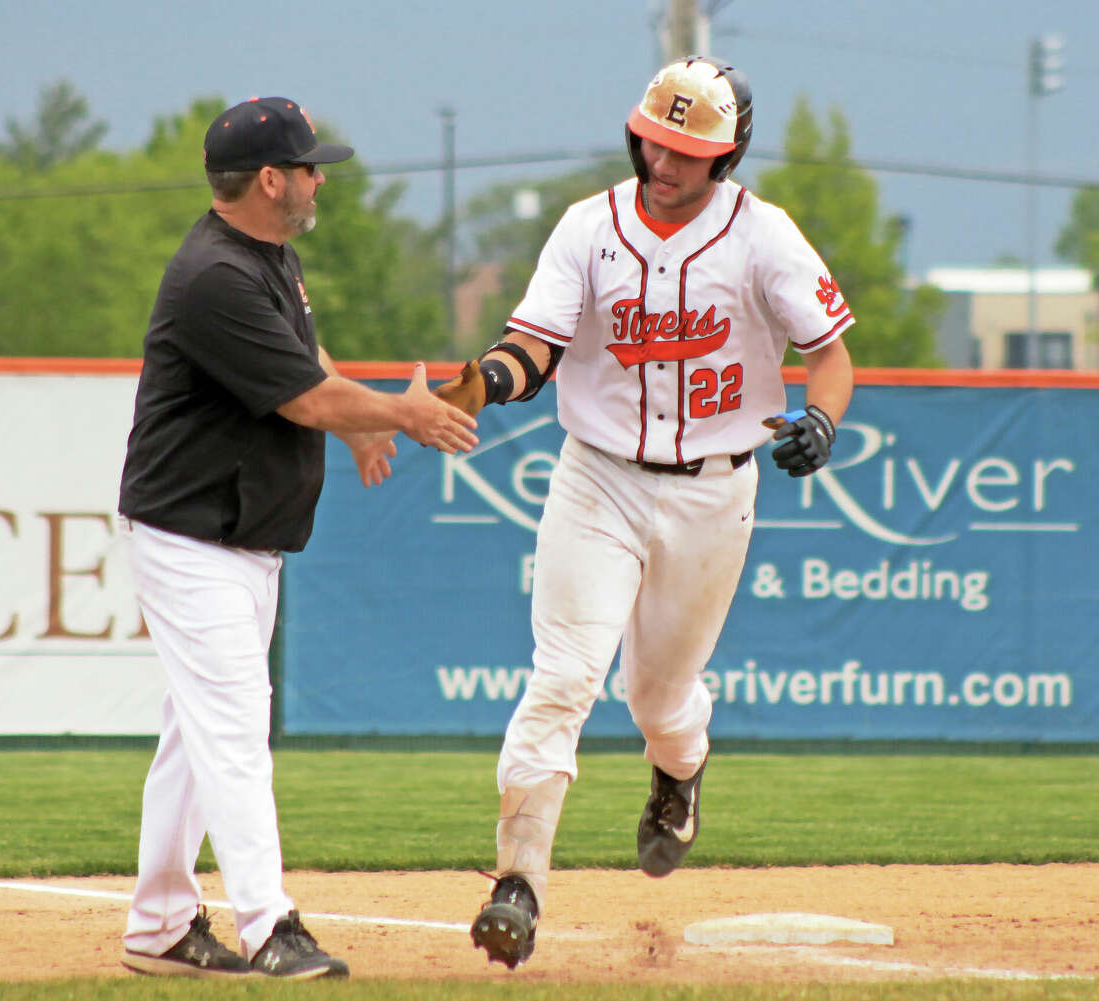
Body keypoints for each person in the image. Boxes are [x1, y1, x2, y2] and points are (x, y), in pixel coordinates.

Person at [433, 57, 854, 969]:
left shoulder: (765, 237)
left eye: (687, 151)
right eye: (655, 142)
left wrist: (821, 419)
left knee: (657, 696)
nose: (664, 164)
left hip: (714, 487)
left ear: (727, 157)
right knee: (564, 675)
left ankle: (679, 771)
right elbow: (533, 344)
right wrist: (481, 385)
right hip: (599, 478)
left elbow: (831, 353)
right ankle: (518, 883)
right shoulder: (590, 226)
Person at [116, 95, 478, 981]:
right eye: (311, 165)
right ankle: (269, 925)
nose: (321, 177)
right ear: (269, 179)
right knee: (235, 727)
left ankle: (160, 924)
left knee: (197, 736)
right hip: (189, 534)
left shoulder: (271, 257)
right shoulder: (216, 276)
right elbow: (305, 399)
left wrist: (363, 422)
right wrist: (401, 412)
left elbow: (309, 371)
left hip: (238, 535)